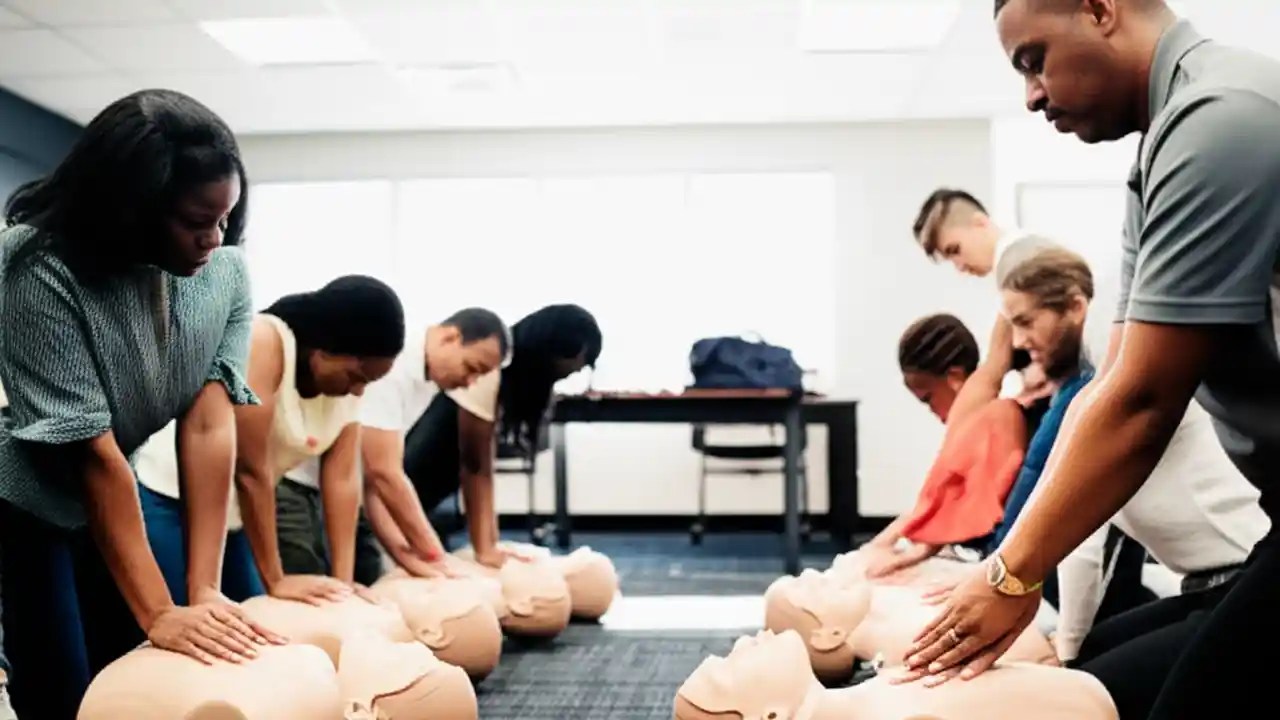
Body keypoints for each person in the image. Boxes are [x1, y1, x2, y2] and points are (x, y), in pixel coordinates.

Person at [904, 8, 1280, 704]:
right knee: (1109, 667)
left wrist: (1012, 575)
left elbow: (1142, 404)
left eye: (1034, 59)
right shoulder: (1164, 149)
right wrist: (1007, 567)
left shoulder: (1221, 118)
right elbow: (1106, 388)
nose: (1032, 93)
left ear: (1101, 9)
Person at [0, 89, 284, 720]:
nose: (213, 239)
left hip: (104, 491)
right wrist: (160, 610)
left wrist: (201, 587)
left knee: (141, 677)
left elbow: (210, 421)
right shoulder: (34, 265)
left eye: (224, 219)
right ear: (131, 208)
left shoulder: (226, 274)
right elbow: (91, 454)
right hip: (21, 507)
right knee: (64, 691)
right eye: (193, 222)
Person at [133, 276, 406, 606]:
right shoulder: (265, 341)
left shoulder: (345, 389)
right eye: (357, 377)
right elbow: (250, 470)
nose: (359, 390)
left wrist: (342, 585)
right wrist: (276, 579)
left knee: (254, 627)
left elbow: (343, 481)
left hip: (231, 519)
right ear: (324, 347)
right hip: (168, 498)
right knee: (189, 628)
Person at [278, 308, 511, 585]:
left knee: (367, 576)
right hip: (292, 476)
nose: (470, 382)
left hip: (344, 483)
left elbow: (375, 481)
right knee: (308, 580)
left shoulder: (429, 377)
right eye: (471, 368)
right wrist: (435, 554)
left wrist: (412, 558)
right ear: (450, 337)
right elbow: (384, 474)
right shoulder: (395, 363)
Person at [394, 304, 602, 567]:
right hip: (405, 485)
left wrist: (490, 546)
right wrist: (486, 550)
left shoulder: (512, 377)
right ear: (552, 347)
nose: (577, 370)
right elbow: (476, 467)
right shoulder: (486, 369)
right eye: (580, 359)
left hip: (420, 492)